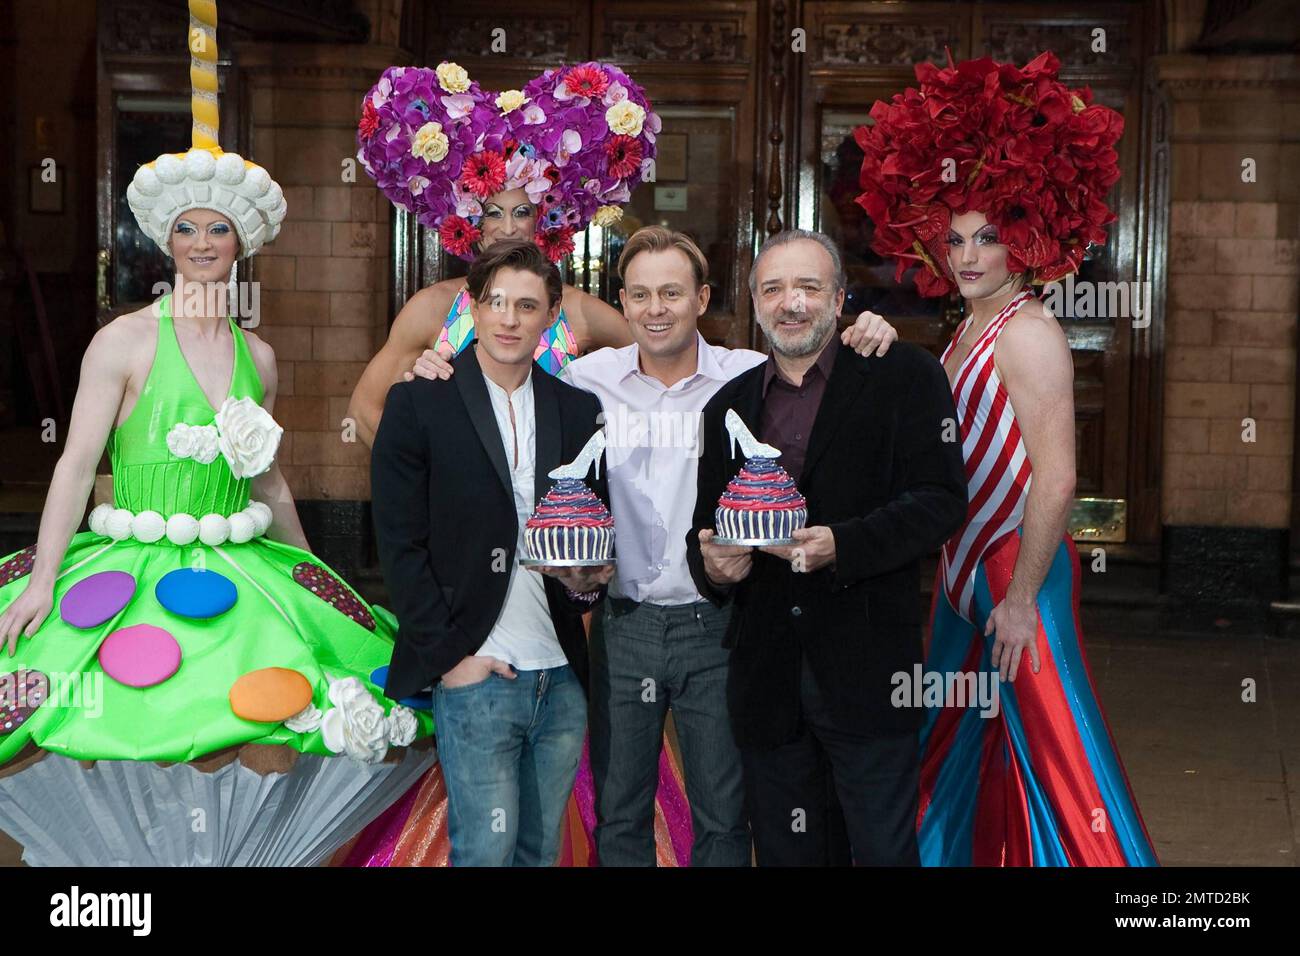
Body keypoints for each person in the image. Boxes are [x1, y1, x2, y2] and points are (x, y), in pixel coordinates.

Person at [0, 0, 428, 867]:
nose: (201, 241)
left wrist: (313, 572)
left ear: (241, 245)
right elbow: (76, 465)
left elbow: (266, 480)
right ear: (167, 242)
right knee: (124, 715)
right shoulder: (120, 341)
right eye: (187, 229)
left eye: (217, 229)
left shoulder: (259, 356)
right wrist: (45, 577)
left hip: (236, 557)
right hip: (132, 559)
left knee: (247, 722)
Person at [854, 50, 1158, 865]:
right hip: (963, 571)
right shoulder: (965, 330)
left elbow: (1057, 475)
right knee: (954, 737)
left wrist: (1021, 599)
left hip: (1016, 571)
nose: (970, 253)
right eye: (954, 239)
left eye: (989, 236)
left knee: (1065, 756)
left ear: (1026, 236)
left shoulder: (1028, 331)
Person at [686, 229, 968, 866]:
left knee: (881, 853)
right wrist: (714, 566)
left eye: (809, 287)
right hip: (769, 683)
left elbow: (940, 500)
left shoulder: (904, 377)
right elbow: (705, 528)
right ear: (754, 303)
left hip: (870, 675)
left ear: (839, 298)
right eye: (775, 289)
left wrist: (843, 544)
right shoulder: (727, 408)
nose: (792, 303)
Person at [371, 239, 612, 866]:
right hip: (477, 672)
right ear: (472, 308)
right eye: (496, 301)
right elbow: (400, 545)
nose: (509, 318)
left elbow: (590, 537)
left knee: (540, 851)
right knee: (485, 850)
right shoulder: (419, 402)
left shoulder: (579, 410)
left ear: (550, 314)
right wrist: (453, 659)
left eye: (527, 305)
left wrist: (588, 582)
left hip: (561, 676)